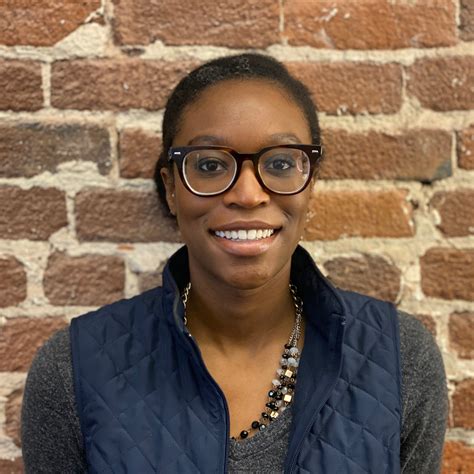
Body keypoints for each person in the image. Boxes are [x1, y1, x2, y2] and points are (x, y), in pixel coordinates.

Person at [21, 53, 447, 473]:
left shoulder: (399, 359)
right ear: (172, 189)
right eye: (210, 165)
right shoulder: (74, 370)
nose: (247, 194)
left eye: (280, 163)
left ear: (310, 185)